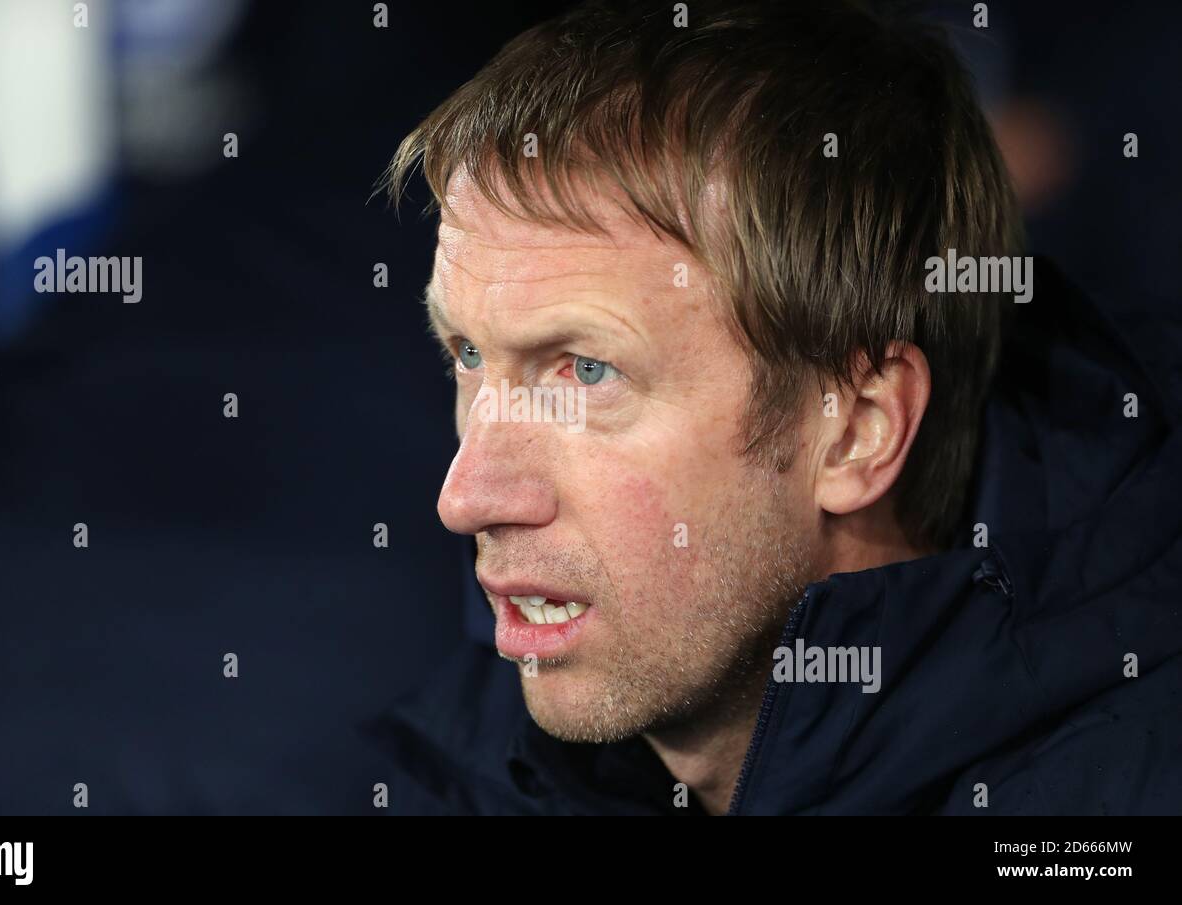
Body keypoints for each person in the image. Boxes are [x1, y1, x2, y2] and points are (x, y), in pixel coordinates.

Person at [366, 0, 1182, 815]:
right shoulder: (465, 759)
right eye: (469, 355)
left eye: (586, 370)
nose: (466, 496)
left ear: (860, 431)